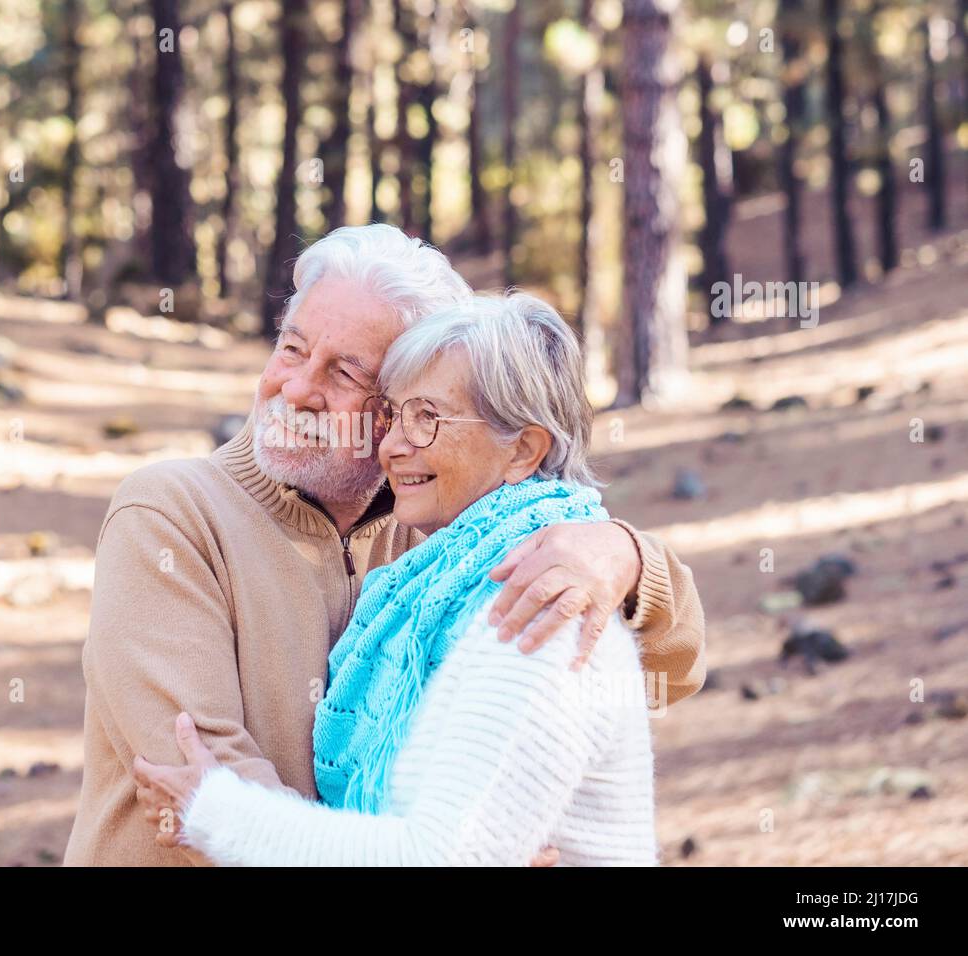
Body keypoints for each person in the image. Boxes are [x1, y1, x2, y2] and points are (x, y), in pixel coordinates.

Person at [62, 225, 704, 867]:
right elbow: (201, 795)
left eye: (346, 373)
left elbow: (673, 666)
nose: (297, 389)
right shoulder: (171, 514)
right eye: (292, 349)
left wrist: (625, 557)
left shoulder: (448, 538)